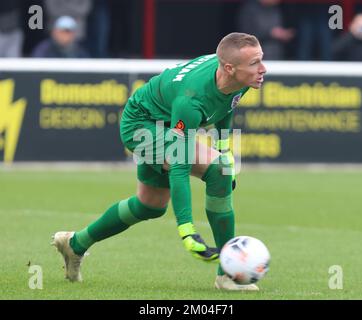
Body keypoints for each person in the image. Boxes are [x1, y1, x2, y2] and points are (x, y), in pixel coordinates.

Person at [52, 32, 267, 291]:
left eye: (261, 59)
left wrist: (224, 146)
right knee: (219, 169)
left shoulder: (240, 77)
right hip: (140, 125)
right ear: (230, 68)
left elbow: (225, 104)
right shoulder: (191, 99)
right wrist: (187, 231)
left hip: (164, 118)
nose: (263, 68)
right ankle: (228, 274)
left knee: (150, 205)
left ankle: (74, 244)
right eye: (255, 62)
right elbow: (180, 166)